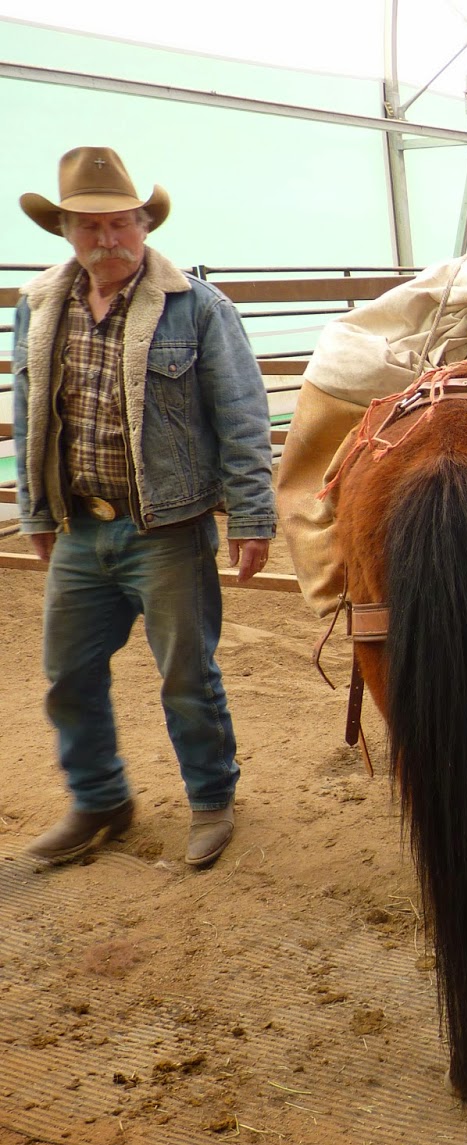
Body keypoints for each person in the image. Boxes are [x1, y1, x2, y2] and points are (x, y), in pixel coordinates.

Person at [14, 147, 276, 869]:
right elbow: (29, 407)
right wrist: (36, 510)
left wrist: (252, 519)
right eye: (91, 226)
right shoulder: (39, 306)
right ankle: (99, 800)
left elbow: (243, 416)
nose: (109, 240)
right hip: (79, 528)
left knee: (187, 676)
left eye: (122, 224)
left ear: (144, 223)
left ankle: (211, 798)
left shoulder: (197, 308)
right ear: (65, 228)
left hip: (166, 528)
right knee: (68, 675)